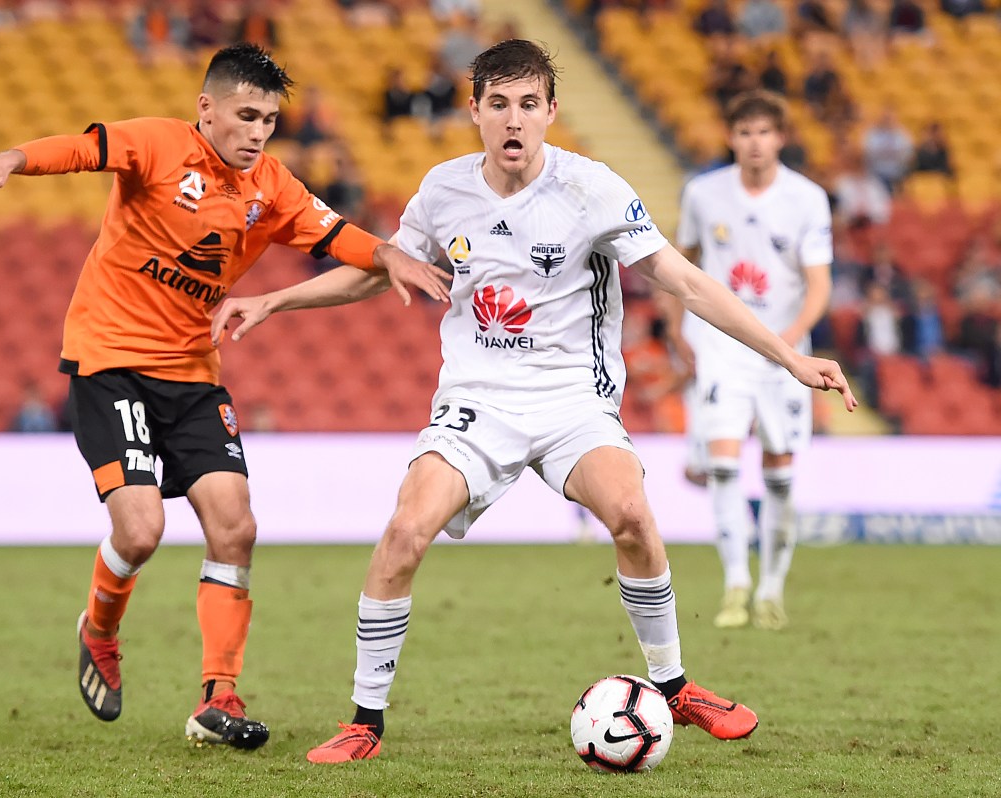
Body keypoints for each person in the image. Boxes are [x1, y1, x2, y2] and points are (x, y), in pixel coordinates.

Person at [211, 40, 856, 763]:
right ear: (475, 111)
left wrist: (791, 357)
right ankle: (365, 721)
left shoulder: (595, 190)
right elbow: (376, 272)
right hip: (477, 400)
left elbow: (688, 282)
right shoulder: (444, 189)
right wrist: (274, 299)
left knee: (634, 517)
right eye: (498, 105)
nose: (513, 120)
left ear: (551, 111)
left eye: (528, 105)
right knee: (402, 535)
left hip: (571, 399)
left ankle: (674, 686)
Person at [0, 42, 448, 749]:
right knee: (142, 531)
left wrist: (391, 253)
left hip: (190, 376)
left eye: (270, 120)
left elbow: (334, 234)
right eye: (246, 115)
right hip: (110, 362)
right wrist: (11, 159)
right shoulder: (156, 145)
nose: (258, 132)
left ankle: (219, 695)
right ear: (206, 108)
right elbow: (84, 149)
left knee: (236, 525)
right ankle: (100, 628)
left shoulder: (270, 186)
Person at [672, 90, 834, 632]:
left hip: (785, 354)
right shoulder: (702, 193)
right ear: (730, 138)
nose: (754, 143)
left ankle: (771, 589)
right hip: (722, 345)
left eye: (764, 132)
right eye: (744, 132)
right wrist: (677, 326)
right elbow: (681, 263)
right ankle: (736, 583)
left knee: (781, 476)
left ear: (780, 138)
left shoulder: (807, 198)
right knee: (721, 464)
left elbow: (819, 283)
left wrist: (788, 344)